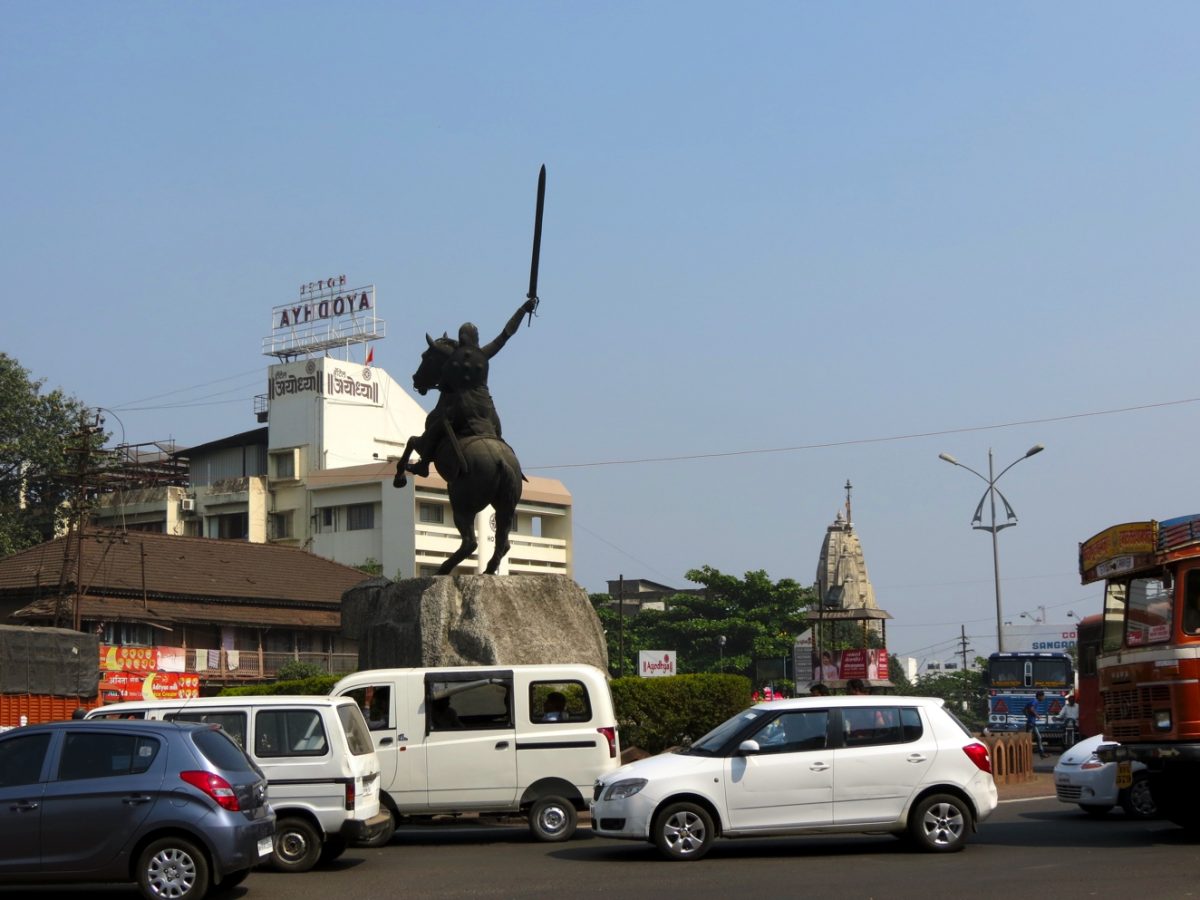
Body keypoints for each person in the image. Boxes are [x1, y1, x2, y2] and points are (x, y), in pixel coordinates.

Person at [407, 298, 537, 478]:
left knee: (437, 426)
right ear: (476, 339)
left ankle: (423, 464)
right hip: (488, 410)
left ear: (461, 338)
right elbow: (506, 334)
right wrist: (523, 309)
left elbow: (445, 384)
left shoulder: (453, 357)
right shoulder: (484, 354)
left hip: (464, 409)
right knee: (497, 434)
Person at [1024, 691, 1047, 758]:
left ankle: (1041, 753)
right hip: (1031, 723)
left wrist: (1028, 716)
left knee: (1038, 737)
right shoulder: (1035, 701)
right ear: (1039, 696)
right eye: (1043, 696)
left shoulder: (1031, 701)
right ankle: (1026, 753)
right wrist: (1037, 715)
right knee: (1028, 738)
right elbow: (1031, 709)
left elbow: (1024, 710)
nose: (1044, 698)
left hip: (1032, 723)